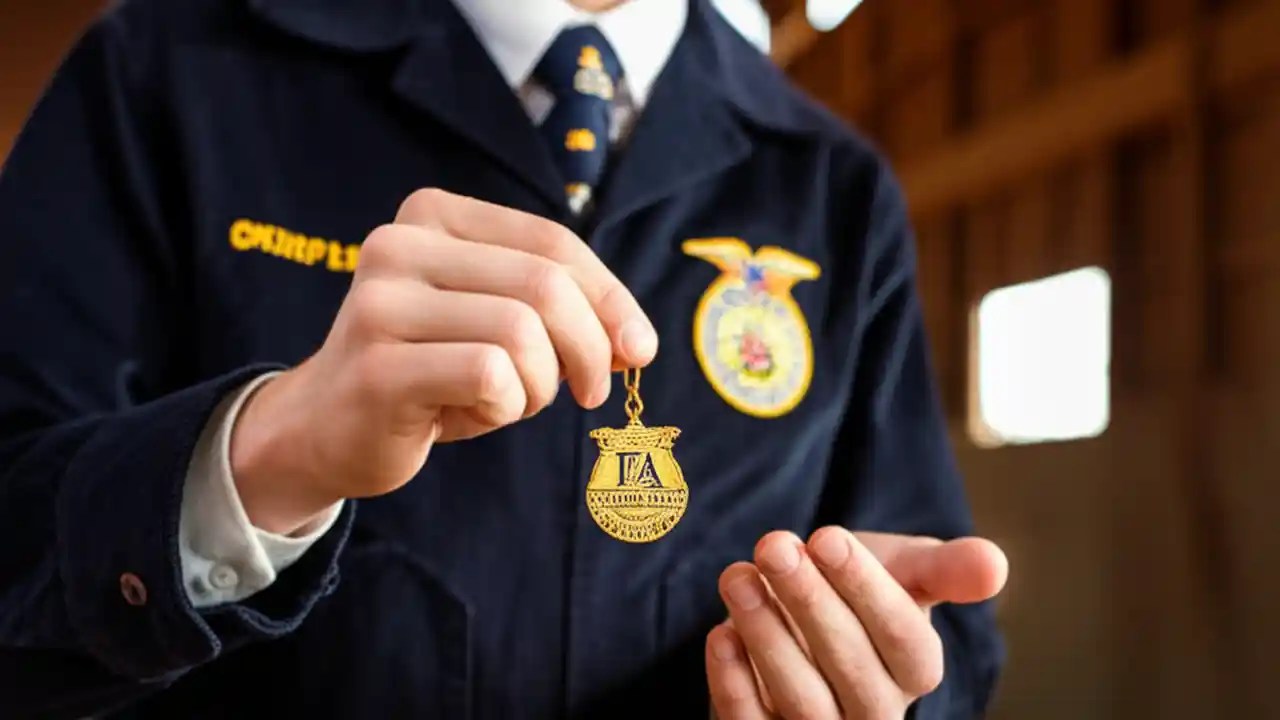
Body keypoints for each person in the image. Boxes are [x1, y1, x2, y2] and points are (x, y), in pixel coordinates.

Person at [0, 0, 1008, 717]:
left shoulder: (830, 184)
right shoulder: (172, 65)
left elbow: (944, 629)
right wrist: (256, 460)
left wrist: (879, 678)